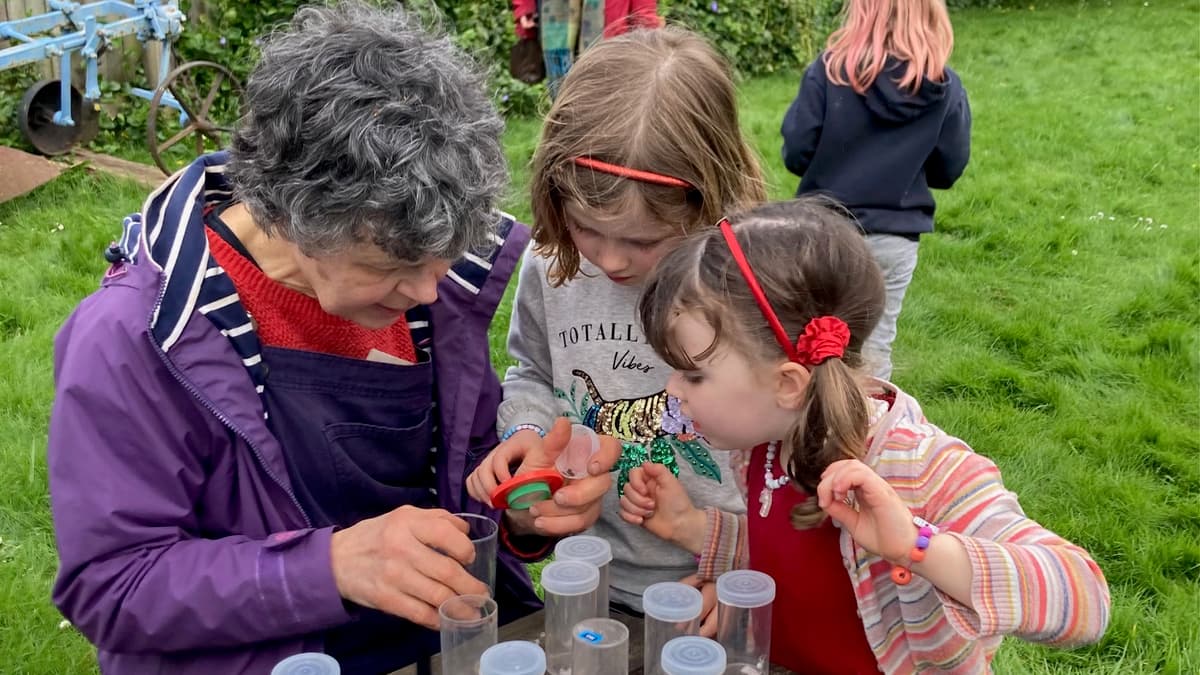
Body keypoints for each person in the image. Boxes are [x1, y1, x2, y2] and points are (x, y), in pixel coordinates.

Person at [46, 4, 617, 674]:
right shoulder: (135, 339)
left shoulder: (427, 282)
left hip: (444, 643)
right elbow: (113, 585)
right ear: (293, 214)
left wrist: (516, 509)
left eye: (440, 258)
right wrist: (330, 566)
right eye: (394, 265)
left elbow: (458, 479)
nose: (427, 291)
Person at [622, 199, 1110, 672]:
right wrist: (692, 526)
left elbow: (1083, 598)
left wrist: (916, 546)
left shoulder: (915, 466)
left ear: (788, 384)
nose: (673, 390)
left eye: (693, 375)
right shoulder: (765, 445)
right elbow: (795, 558)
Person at [466, 25, 766, 623]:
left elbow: (799, 450)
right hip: (593, 577)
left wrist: (740, 570)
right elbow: (533, 370)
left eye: (642, 240)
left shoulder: (754, 282)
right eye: (585, 227)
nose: (609, 260)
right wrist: (528, 431)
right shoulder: (551, 263)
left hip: (723, 582)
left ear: (707, 201)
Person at [781, 0, 972, 380]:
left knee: (810, 339)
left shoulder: (828, 71)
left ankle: (805, 412)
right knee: (873, 349)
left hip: (824, 233)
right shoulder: (944, 86)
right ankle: (868, 418)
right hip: (893, 238)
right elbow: (947, 169)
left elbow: (798, 152)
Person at [511, 0, 661, 97]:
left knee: (607, 108)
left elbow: (644, 10)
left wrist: (647, 29)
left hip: (610, 36)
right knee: (562, 104)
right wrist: (524, 6)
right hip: (556, 25)